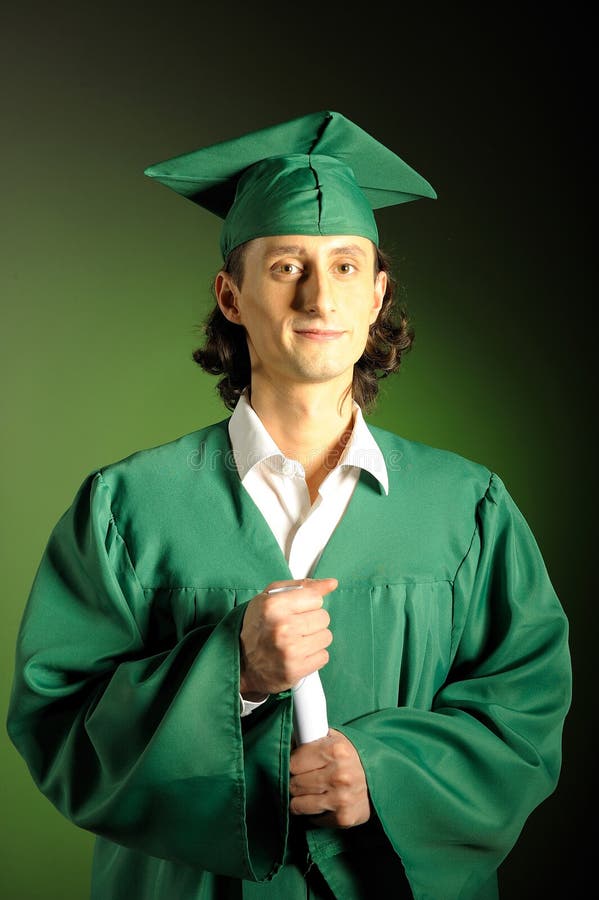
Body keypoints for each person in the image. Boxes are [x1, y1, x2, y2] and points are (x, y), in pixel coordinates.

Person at [6, 110, 571, 900]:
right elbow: (58, 728)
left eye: (344, 266)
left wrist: (383, 774)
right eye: (284, 267)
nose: (317, 294)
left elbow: (522, 716)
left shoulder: (466, 506)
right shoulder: (126, 507)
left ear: (376, 296)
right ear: (230, 296)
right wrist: (229, 673)